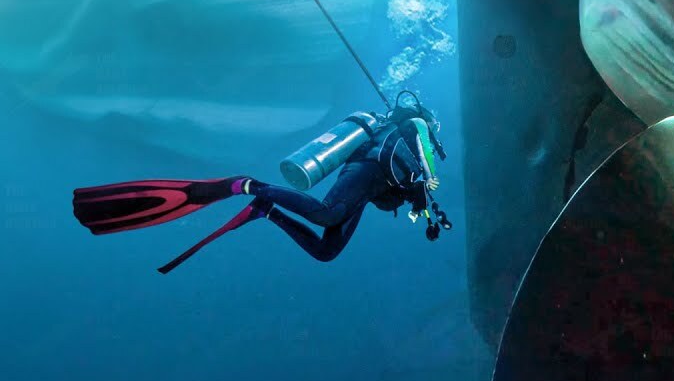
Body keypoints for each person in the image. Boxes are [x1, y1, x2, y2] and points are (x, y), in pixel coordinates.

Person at [72, 92, 451, 273]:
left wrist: (420, 204)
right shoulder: (413, 128)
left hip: (369, 186)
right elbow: (413, 162)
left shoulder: (409, 151)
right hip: (363, 171)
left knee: (326, 251)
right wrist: (427, 179)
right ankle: (247, 185)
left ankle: (266, 210)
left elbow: (393, 194)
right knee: (325, 214)